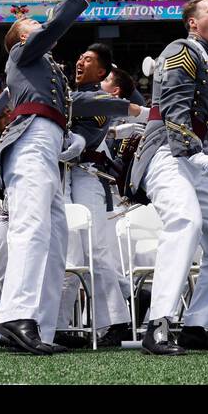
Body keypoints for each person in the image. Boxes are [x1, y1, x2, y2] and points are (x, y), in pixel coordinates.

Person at [0, 0, 114, 354]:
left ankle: (41, 326)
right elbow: (52, 28)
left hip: (50, 142)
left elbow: (83, 105)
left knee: (55, 236)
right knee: (31, 228)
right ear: (21, 38)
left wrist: (136, 110)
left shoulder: (48, 69)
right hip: (31, 139)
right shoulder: (21, 53)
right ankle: (14, 316)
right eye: (31, 24)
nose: (39, 27)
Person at [123, 0, 208, 354]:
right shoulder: (181, 48)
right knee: (185, 220)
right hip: (166, 150)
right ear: (193, 23)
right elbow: (176, 102)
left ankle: (196, 325)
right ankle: (158, 323)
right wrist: (189, 150)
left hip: (189, 157)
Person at [59, 43, 144, 348]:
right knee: (69, 251)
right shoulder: (71, 94)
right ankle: (58, 324)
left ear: (102, 71)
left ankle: (117, 321)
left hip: (87, 176)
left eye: (89, 59)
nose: (80, 61)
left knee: (95, 249)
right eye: (80, 56)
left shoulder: (98, 98)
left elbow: (96, 125)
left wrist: (76, 139)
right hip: (66, 176)